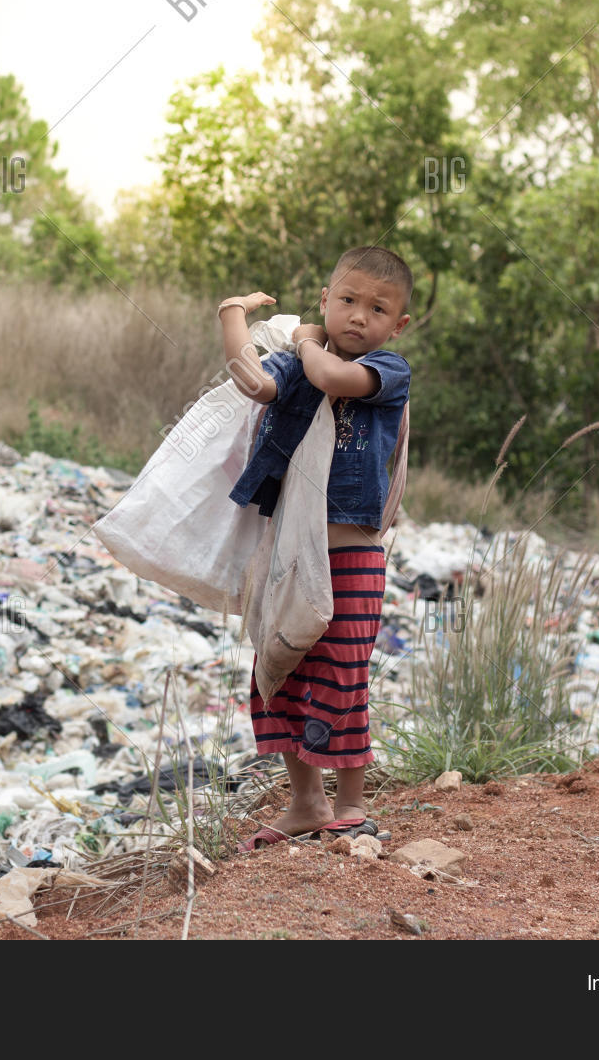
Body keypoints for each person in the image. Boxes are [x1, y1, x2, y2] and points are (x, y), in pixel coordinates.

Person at [215, 246, 413, 850]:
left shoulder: (387, 370)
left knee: (342, 675)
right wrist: (233, 312)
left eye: (377, 309)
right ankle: (306, 803)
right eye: (347, 300)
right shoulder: (300, 363)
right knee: (278, 670)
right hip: (288, 556)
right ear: (326, 299)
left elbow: (330, 377)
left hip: (352, 556)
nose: (359, 316)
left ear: (398, 325)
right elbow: (252, 380)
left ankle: (350, 804)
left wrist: (305, 339)